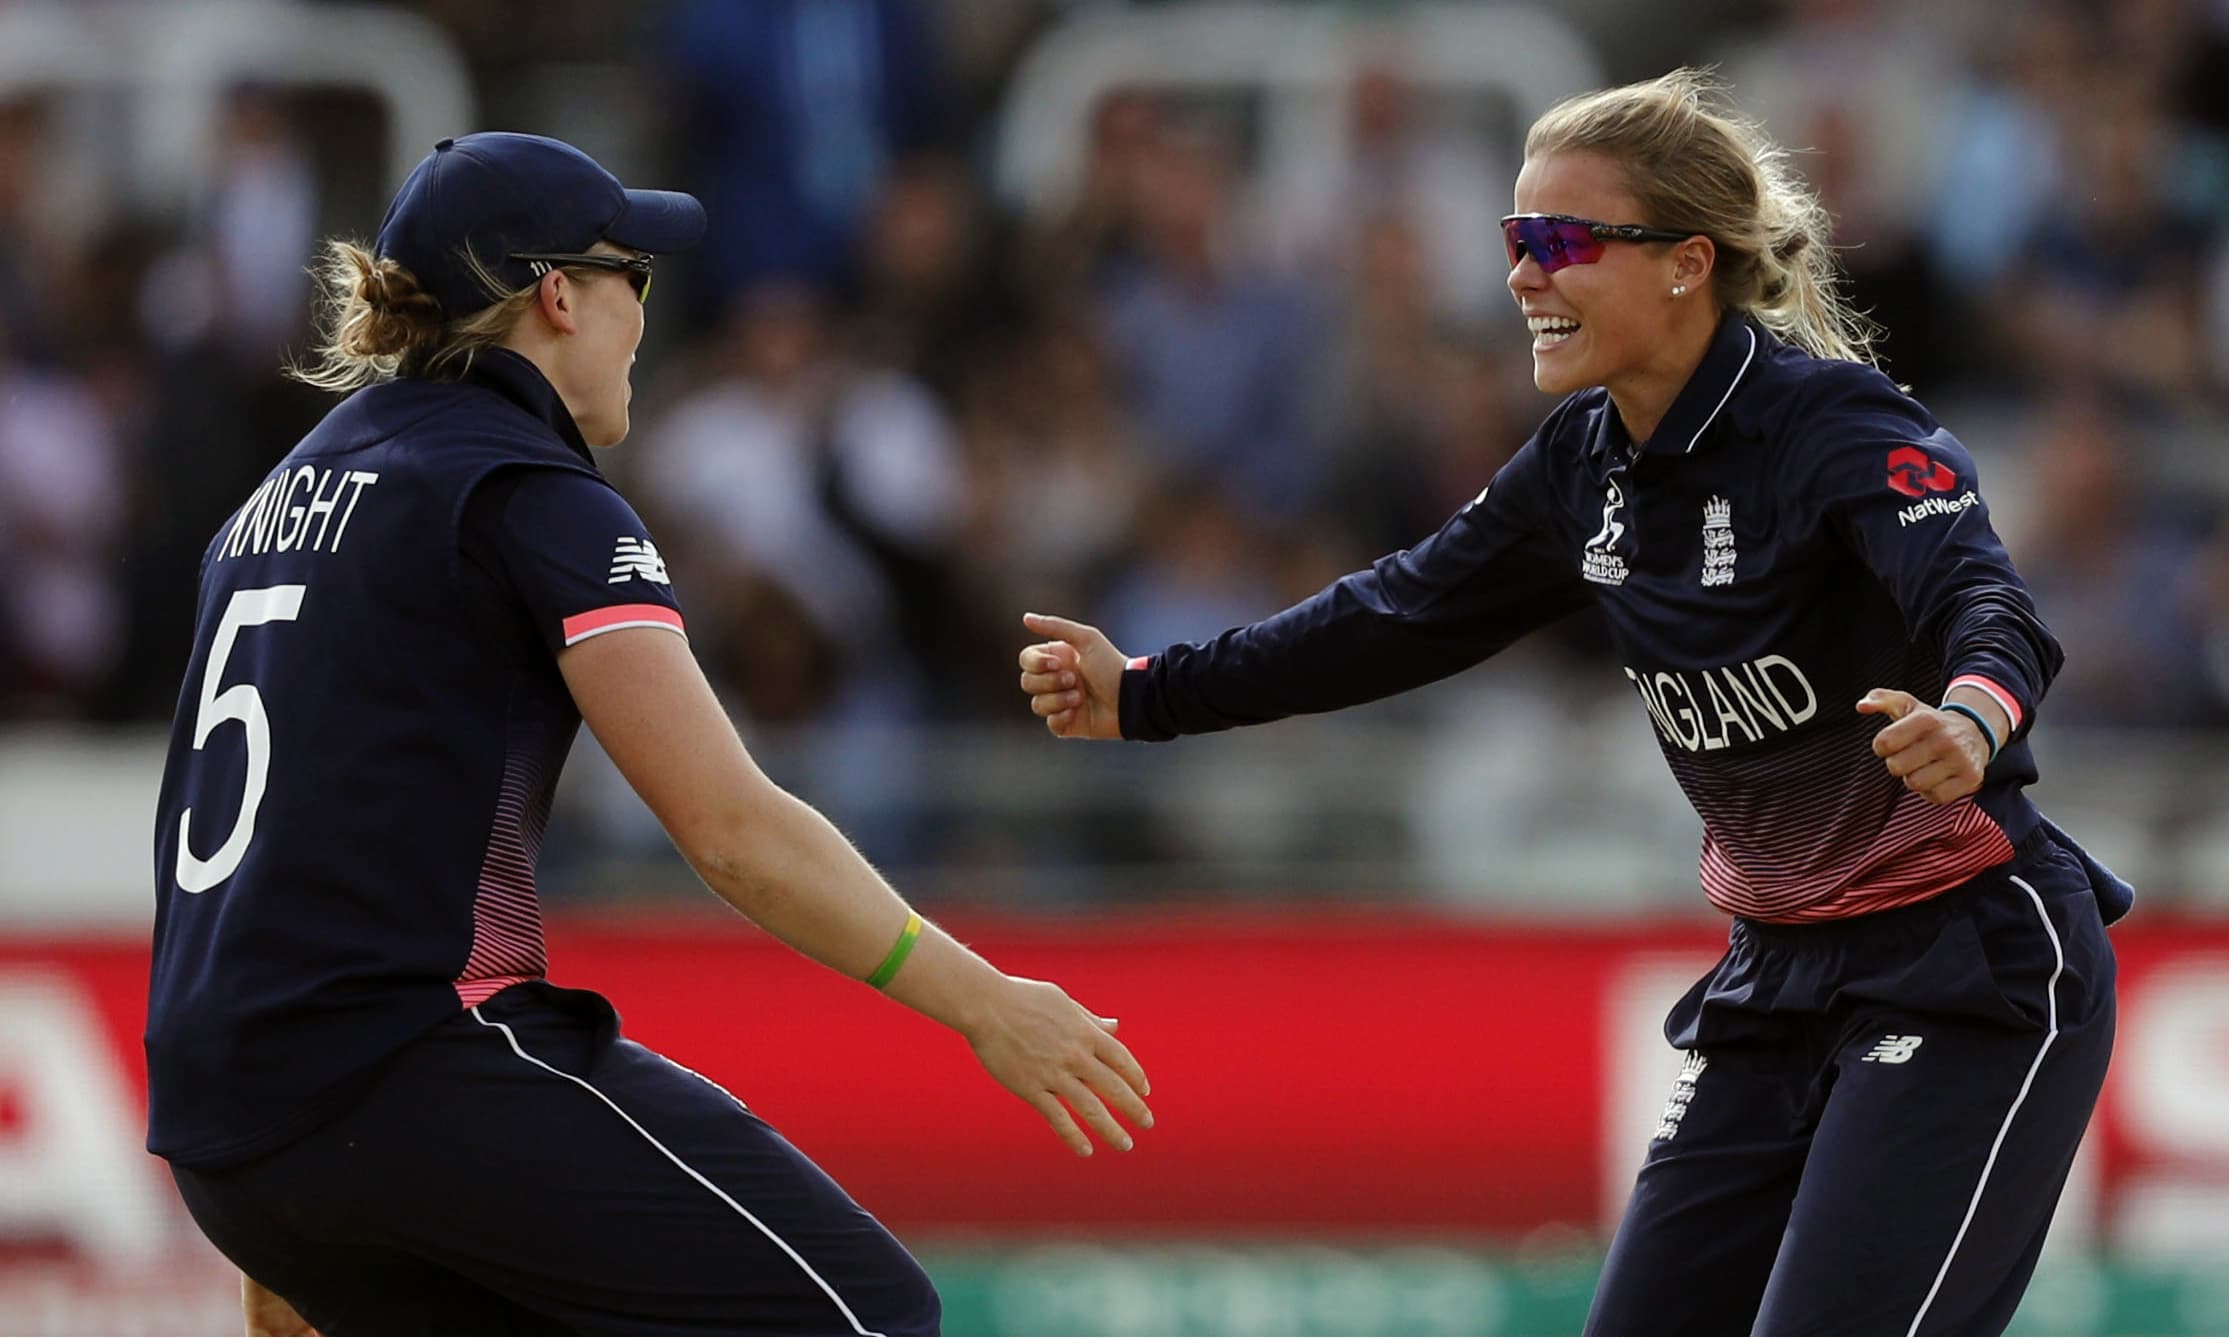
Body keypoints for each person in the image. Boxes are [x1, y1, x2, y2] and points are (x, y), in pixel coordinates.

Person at [1019, 70, 2125, 1337]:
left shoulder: (1829, 424)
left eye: (1559, 240)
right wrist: (1147, 694)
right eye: (1514, 239)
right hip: (1776, 978)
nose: (1521, 275)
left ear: (1686, 264)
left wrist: (1973, 717)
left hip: (1967, 962)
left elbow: (1988, 601)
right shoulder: (1580, 462)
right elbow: (1392, 615)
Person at [148, 131, 1153, 1337]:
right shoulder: (526, 490)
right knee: (873, 1315)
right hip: (411, 1069)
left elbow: (239, 848)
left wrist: (277, 1227)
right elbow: (731, 830)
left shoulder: (267, 507)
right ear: (556, 296)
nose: (644, 314)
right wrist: (985, 1003)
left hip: (234, 1126)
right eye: (632, 275)